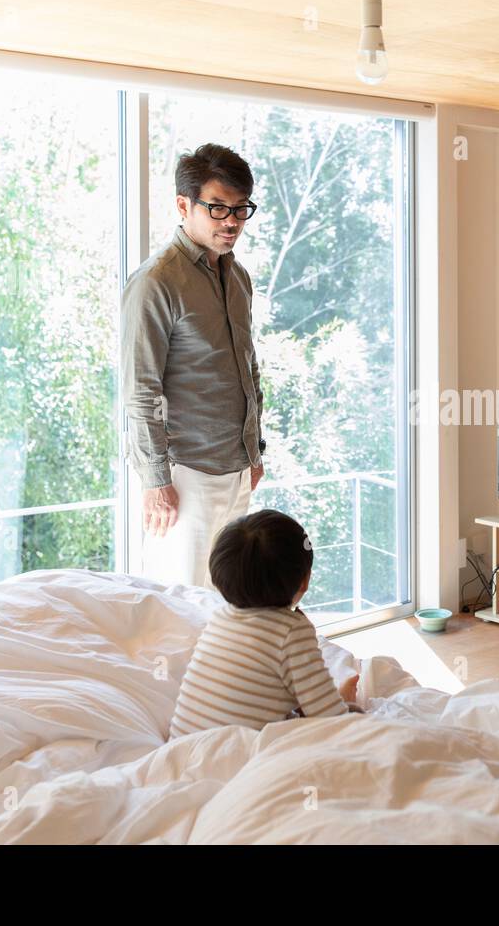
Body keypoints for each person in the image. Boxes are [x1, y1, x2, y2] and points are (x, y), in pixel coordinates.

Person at [121, 142, 267, 589]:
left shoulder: (237, 277)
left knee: (226, 599)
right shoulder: (156, 282)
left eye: (241, 209)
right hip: (185, 478)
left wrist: (255, 452)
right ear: (184, 205)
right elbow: (140, 389)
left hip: (238, 470)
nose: (232, 222)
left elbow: (248, 368)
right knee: (178, 603)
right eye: (218, 208)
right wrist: (156, 481)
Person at [168, 509, 359, 738]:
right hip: (240, 757)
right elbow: (331, 719)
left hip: (183, 744)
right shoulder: (291, 632)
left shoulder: (220, 618)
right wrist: (347, 702)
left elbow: (257, 688)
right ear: (305, 580)